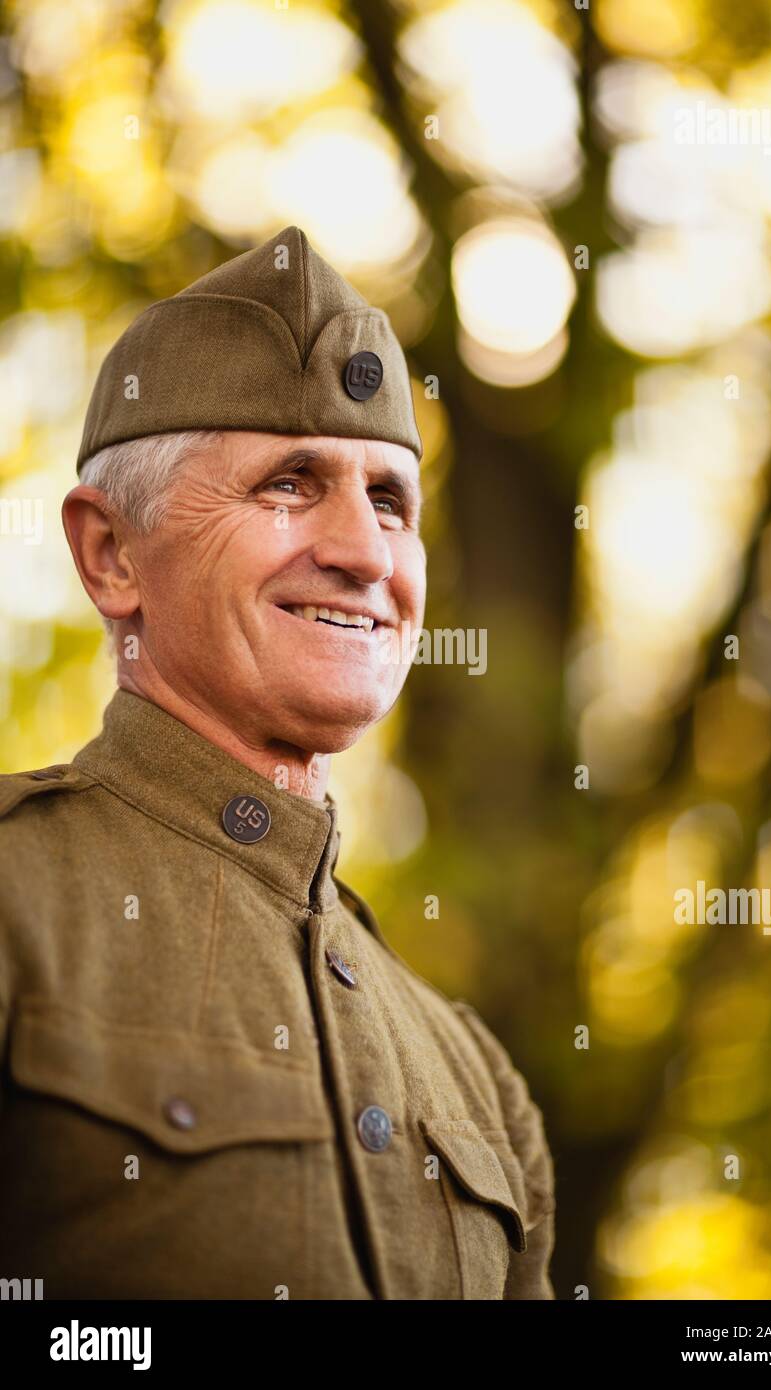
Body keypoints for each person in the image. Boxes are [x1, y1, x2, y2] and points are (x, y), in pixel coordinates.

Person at [0, 225, 556, 1299]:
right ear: (112, 553)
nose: (362, 553)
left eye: (390, 499)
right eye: (289, 484)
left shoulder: (478, 1076)